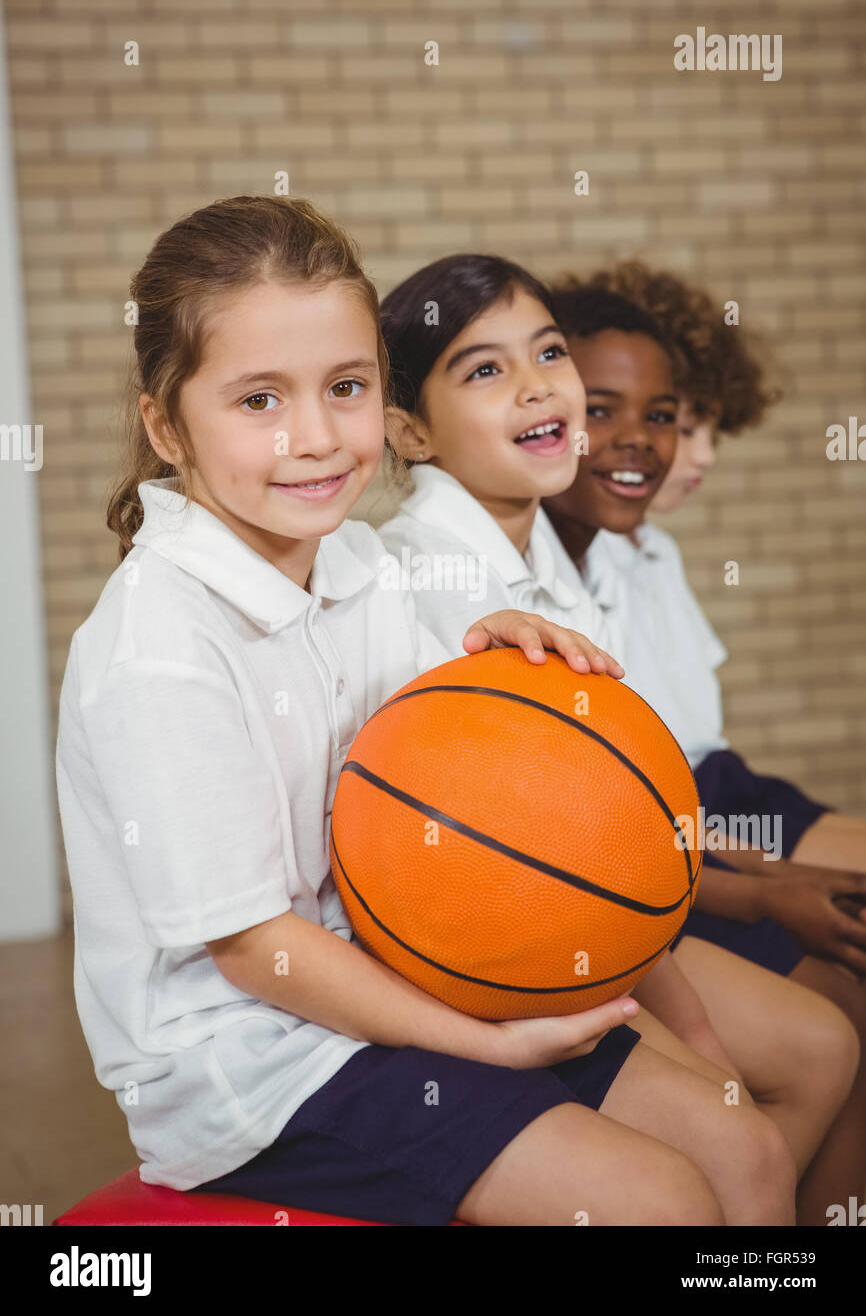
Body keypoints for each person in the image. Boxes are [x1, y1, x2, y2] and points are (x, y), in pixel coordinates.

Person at [54, 194, 809, 1228]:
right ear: (163, 422)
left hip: (408, 964)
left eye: (346, 386)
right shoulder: (157, 647)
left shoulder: (360, 568)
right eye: (258, 400)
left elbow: (481, 791)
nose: (314, 437)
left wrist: (513, 660)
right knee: (657, 1199)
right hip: (256, 1061)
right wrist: (491, 1043)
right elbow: (251, 947)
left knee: (746, 1150)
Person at [372, 251, 858, 1224]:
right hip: (503, 939)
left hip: (590, 901)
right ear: (410, 430)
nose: (534, 383)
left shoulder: (549, 557)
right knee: (751, 1134)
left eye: (544, 352)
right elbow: (528, 855)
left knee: (811, 1055)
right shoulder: (417, 580)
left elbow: (625, 805)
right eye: (483, 369)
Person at [539, 278, 866, 1219]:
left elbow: (690, 762)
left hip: (692, 797)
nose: (677, 451)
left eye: (672, 419)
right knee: (830, 1004)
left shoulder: (622, 550)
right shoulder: (497, 564)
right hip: (647, 831)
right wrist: (769, 888)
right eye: (601, 411)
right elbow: (608, 815)